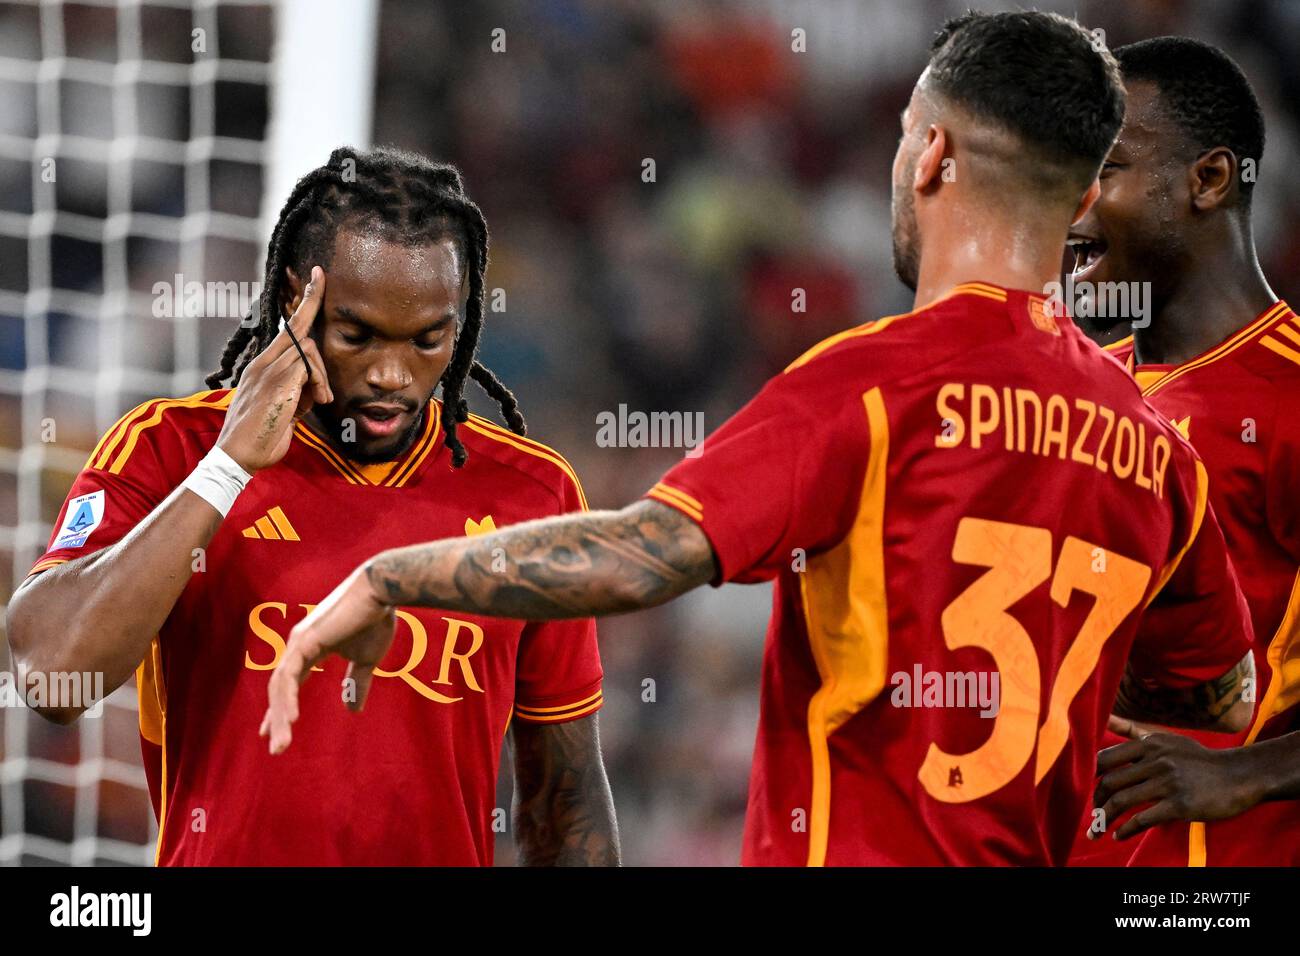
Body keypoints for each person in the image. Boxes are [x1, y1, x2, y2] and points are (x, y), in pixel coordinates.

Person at [263, 13, 1254, 866]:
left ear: (934, 154)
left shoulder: (872, 382)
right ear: (1082, 200)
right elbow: (1218, 694)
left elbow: (637, 555)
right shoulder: (1150, 440)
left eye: (906, 137)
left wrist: (391, 575)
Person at [6, 146, 618, 866]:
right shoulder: (169, 448)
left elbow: (565, 792)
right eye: (357, 335)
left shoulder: (532, 494)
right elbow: (50, 674)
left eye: (429, 339)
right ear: (300, 298)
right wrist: (227, 467)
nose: (393, 374)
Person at [1065, 38, 1300, 866]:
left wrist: (1260, 769)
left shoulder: (1288, 394)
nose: (1073, 203)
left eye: (1108, 167)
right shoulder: (1078, 395)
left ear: (1207, 180)